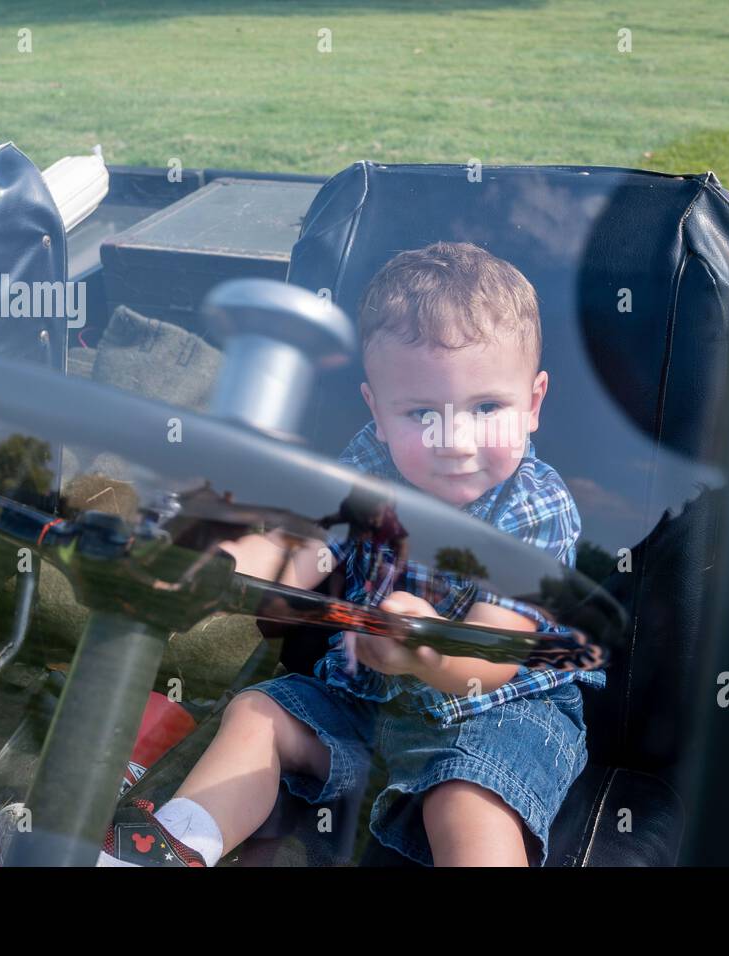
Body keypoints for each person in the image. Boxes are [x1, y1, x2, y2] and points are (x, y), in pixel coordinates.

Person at [100, 241, 602, 867]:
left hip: (496, 714)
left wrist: (422, 645)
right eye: (421, 413)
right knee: (257, 713)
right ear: (378, 412)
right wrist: (225, 563)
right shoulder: (367, 464)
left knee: (466, 798)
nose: (456, 441)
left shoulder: (534, 505)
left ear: (533, 403)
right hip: (363, 698)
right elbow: (305, 546)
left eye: (487, 408)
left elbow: (496, 653)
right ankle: (163, 851)